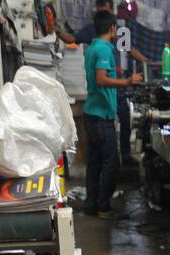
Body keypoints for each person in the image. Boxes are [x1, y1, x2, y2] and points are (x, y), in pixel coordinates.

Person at [61, 0, 148, 161]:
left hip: (110, 88)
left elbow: (130, 49)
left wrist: (147, 64)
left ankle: (124, 154)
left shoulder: (110, 31)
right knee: (108, 140)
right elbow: (71, 40)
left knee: (124, 117)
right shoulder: (98, 37)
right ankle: (116, 157)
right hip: (107, 90)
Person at [83, 8, 141, 217]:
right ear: (112, 28)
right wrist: (127, 81)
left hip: (91, 114)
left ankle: (91, 205)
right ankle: (103, 206)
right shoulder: (105, 49)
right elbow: (101, 79)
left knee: (95, 163)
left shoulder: (92, 47)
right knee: (111, 162)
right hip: (101, 117)